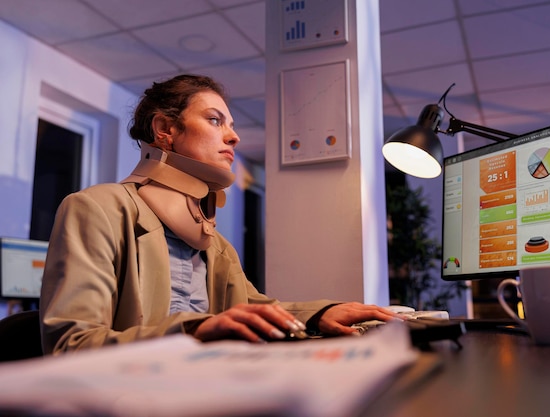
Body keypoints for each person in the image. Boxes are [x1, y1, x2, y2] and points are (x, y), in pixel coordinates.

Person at [39, 74, 397, 354]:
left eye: (231, 124)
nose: (234, 137)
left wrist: (321, 314)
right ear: (165, 130)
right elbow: (72, 345)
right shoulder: (97, 209)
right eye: (215, 121)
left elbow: (257, 308)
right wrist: (194, 331)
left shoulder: (215, 245)